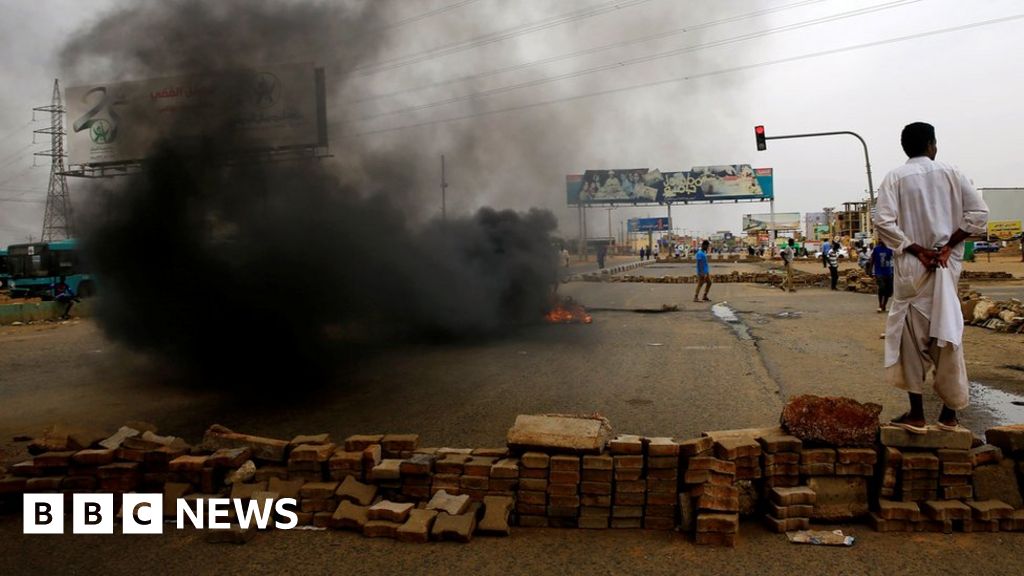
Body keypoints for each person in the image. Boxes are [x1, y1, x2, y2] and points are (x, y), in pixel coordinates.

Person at [873, 121, 988, 433]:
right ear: (931, 144)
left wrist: (917, 249)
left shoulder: (894, 177)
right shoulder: (954, 172)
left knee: (910, 340)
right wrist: (948, 245)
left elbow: (882, 221)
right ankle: (950, 416)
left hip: (913, 269)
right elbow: (978, 216)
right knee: (949, 335)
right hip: (945, 267)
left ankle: (917, 414)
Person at [870, 239, 894, 312]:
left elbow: (895, 259)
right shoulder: (876, 249)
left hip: (888, 272)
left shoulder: (890, 249)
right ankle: (880, 305)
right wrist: (870, 270)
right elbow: (872, 260)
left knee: (889, 290)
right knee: (882, 287)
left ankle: (884, 305)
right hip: (879, 272)